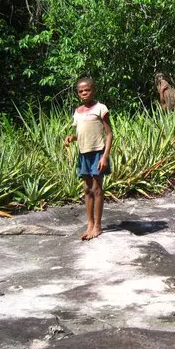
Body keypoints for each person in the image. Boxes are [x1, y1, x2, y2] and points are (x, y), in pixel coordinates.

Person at [64, 76, 113, 241]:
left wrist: (105, 157)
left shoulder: (101, 108)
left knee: (97, 189)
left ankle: (98, 226)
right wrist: (71, 138)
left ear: (94, 90)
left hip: (98, 153)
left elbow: (109, 134)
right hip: (83, 154)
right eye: (81, 91)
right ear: (78, 93)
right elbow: (81, 133)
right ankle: (89, 224)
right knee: (87, 189)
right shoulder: (78, 112)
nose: (84, 93)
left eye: (87, 90)